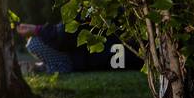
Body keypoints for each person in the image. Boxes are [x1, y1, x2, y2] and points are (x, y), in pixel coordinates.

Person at [16, 21, 145, 73]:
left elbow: (63, 36)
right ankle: (40, 67)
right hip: (129, 53)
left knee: (33, 42)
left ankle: (40, 67)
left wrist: (38, 30)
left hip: (84, 60)